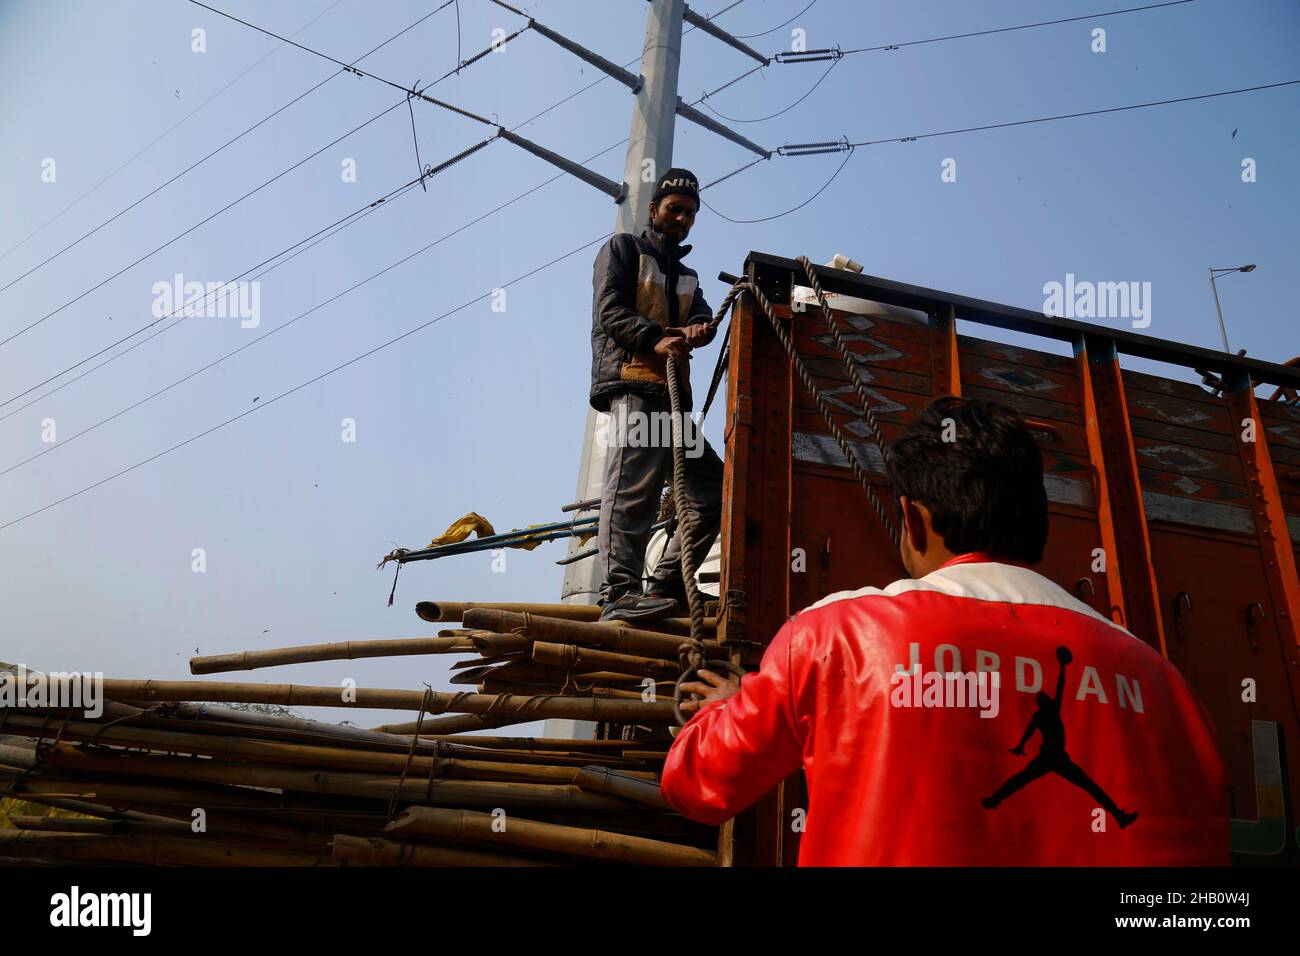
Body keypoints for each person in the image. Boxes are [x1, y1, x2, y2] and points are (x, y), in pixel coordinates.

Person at [659, 396, 1229, 865]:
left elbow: (697, 784)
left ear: (912, 519)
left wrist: (727, 709)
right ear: (1037, 518)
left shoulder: (835, 636)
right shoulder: (1167, 688)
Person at [588, 167, 723, 622]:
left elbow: (702, 315)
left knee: (713, 491)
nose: (681, 218)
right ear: (654, 210)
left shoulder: (688, 276)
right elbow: (611, 311)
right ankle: (618, 593)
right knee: (632, 489)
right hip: (635, 384)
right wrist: (656, 338)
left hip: (672, 399)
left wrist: (698, 329)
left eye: (689, 213)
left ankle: (666, 583)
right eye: (674, 210)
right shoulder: (623, 249)